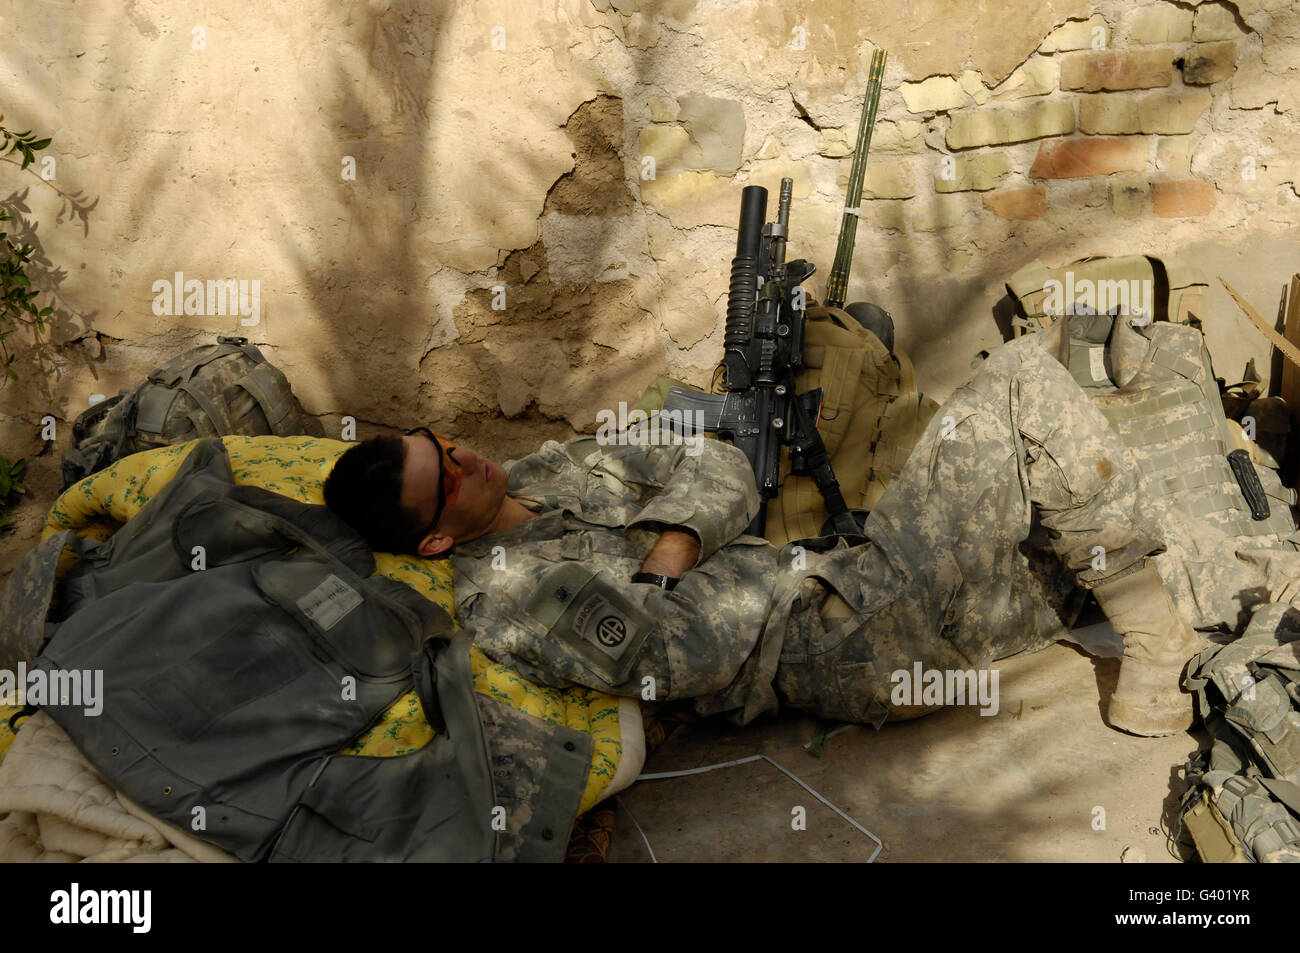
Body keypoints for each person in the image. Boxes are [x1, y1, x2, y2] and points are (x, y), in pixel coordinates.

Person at [323, 330, 1216, 737]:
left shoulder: (550, 470)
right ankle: (1149, 633)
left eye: (443, 441)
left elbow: (710, 458)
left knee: (1078, 515)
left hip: (851, 580)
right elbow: (682, 653)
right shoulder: (510, 599)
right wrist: (715, 553)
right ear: (435, 540)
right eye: (444, 476)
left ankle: (1139, 606)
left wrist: (674, 537)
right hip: (831, 637)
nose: (468, 457)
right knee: (1020, 374)